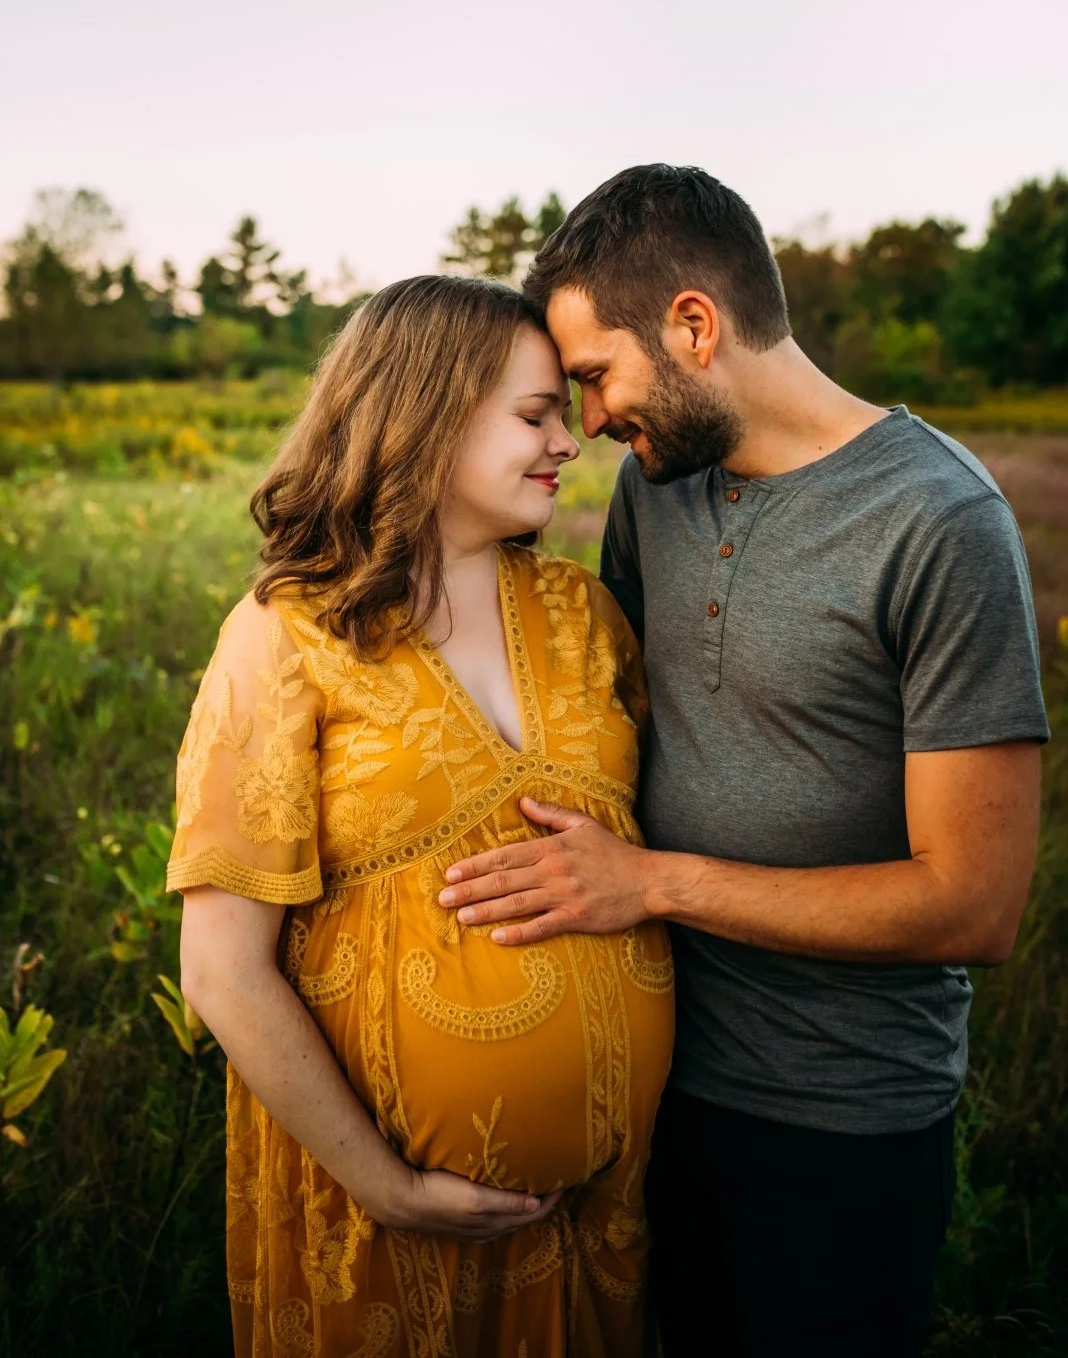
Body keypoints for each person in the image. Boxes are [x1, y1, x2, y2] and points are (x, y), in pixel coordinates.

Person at [439, 165, 1050, 1357]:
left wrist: (652, 880)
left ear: (694, 326)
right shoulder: (658, 493)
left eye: (599, 376)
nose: (596, 420)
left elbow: (973, 903)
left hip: (840, 1124)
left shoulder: (941, 524)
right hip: (658, 1089)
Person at [168, 275, 674, 1358]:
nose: (568, 440)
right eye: (534, 413)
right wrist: (387, 1183)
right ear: (426, 411)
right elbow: (221, 967)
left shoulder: (585, 615)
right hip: (385, 1228)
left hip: (599, 1220)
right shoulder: (287, 635)